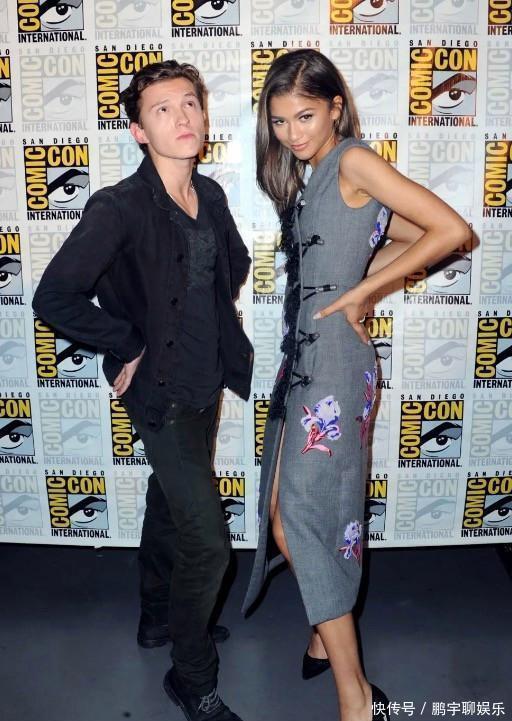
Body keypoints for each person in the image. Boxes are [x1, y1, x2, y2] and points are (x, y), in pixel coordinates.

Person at [242, 49, 472, 721]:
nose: (292, 133)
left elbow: (453, 230)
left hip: (334, 369)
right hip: (307, 362)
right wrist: (362, 280)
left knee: (301, 523)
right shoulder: (317, 174)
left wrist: (361, 292)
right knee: (294, 514)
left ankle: (357, 695)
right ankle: (323, 634)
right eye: (280, 121)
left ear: (336, 108)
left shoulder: (353, 161)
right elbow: (405, 237)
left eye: (306, 116)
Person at [33, 60, 253, 721]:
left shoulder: (210, 194)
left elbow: (233, 266)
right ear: (137, 131)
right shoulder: (119, 207)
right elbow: (54, 295)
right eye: (162, 109)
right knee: (208, 542)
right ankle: (191, 676)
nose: (182, 117)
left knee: (167, 500)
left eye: (190, 103)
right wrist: (126, 340)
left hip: (207, 382)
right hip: (159, 392)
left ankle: (158, 616)